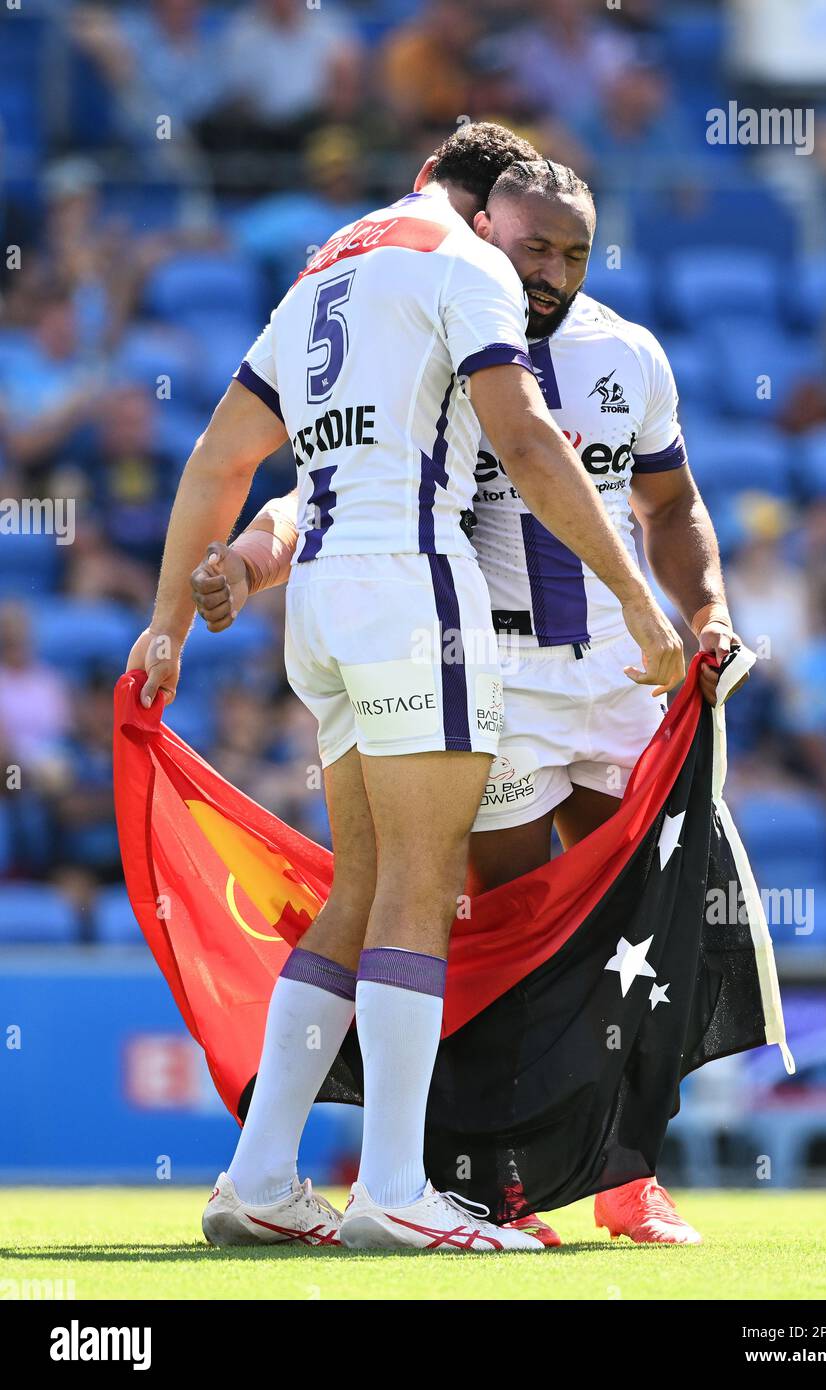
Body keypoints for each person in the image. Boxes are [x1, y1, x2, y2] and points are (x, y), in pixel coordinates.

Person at [127, 124, 683, 1253]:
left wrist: (167, 620)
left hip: (321, 598)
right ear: (488, 207)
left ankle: (259, 1176)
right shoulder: (463, 264)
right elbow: (523, 438)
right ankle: (394, 1188)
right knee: (421, 894)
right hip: (414, 587)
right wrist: (634, 594)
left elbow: (220, 461)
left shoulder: (325, 268)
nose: (529, 262)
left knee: (362, 888)